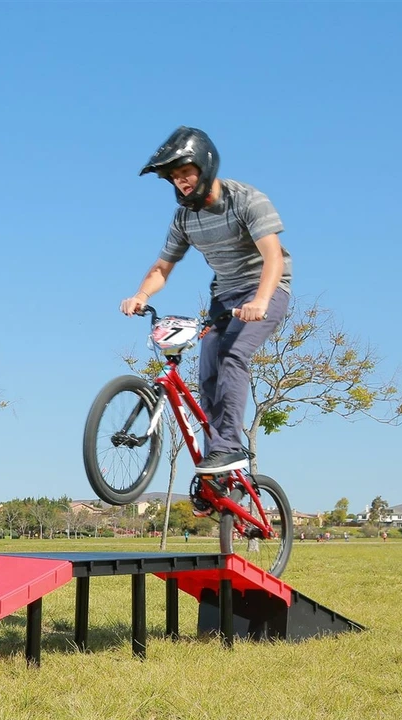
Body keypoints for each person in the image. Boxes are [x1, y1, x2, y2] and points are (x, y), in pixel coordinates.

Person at [121, 126, 292, 475]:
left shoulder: (246, 200)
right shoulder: (184, 217)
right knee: (209, 373)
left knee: (233, 356)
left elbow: (273, 257)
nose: (181, 182)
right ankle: (218, 469)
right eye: (175, 178)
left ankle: (229, 446)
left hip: (266, 291)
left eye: (186, 173)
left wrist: (260, 300)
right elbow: (161, 268)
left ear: (205, 167)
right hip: (224, 297)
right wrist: (141, 294)